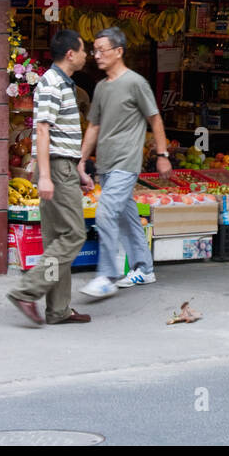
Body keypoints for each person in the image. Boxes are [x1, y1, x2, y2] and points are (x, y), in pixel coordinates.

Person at [78, 27, 172, 299]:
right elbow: (94, 126)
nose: (96, 55)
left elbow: (155, 118)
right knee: (127, 218)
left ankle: (107, 276)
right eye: (94, 50)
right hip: (106, 165)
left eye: (102, 50)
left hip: (126, 163)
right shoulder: (101, 87)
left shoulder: (135, 83)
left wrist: (162, 155)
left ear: (119, 51)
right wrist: (81, 160)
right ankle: (145, 269)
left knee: (105, 214)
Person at [7, 29, 92, 325]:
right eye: (83, 50)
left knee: (58, 238)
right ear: (70, 54)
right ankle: (27, 291)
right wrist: (45, 175)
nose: (86, 55)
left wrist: (77, 169)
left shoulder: (61, 83)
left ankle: (58, 309)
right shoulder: (53, 83)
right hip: (57, 169)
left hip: (62, 167)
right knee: (74, 234)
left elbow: (55, 134)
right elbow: (42, 129)